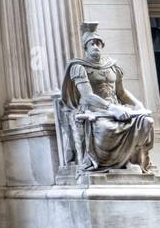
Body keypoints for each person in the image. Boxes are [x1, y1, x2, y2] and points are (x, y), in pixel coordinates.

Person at [61, 23, 155, 173]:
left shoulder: (112, 66)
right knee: (106, 130)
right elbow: (88, 96)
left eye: (98, 43)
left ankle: (130, 159)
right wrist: (113, 108)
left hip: (118, 110)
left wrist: (138, 105)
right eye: (92, 44)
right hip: (95, 112)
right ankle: (109, 163)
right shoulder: (79, 67)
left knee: (146, 122)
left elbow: (122, 93)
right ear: (85, 47)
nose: (95, 46)